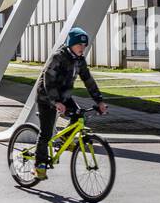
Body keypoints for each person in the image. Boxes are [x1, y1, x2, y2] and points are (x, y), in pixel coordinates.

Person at [34, 27, 108, 180]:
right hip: (47, 97)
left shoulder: (79, 61)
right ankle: (40, 165)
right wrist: (55, 102)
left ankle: (65, 138)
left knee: (79, 116)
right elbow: (48, 81)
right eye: (79, 45)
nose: (82, 48)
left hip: (64, 96)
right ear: (71, 44)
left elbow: (88, 80)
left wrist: (99, 101)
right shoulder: (58, 57)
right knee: (46, 132)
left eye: (84, 45)